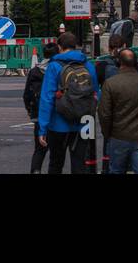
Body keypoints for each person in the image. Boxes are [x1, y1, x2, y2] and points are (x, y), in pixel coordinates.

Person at [36, 31, 98, 174]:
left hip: (59, 123)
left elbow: (47, 98)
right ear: (75, 46)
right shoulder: (88, 64)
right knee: (79, 163)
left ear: (59, 47)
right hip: (84, 122)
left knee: (56, 163)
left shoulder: (54, 66)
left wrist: (42, 128)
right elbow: (95, 93)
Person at [99, 48, 138, 174]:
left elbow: (104, 113)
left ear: (119, 62)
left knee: (116, 170)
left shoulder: (110, 83)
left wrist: (107, 133)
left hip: (118, 136)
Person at [22, 42, 57, 173]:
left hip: (38, 115)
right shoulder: (58, 69)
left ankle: (35, 171)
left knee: (39, 150)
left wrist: (30, 111)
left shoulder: (34, 71)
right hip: (55, 115)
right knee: (56, 151)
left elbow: (26, 94)